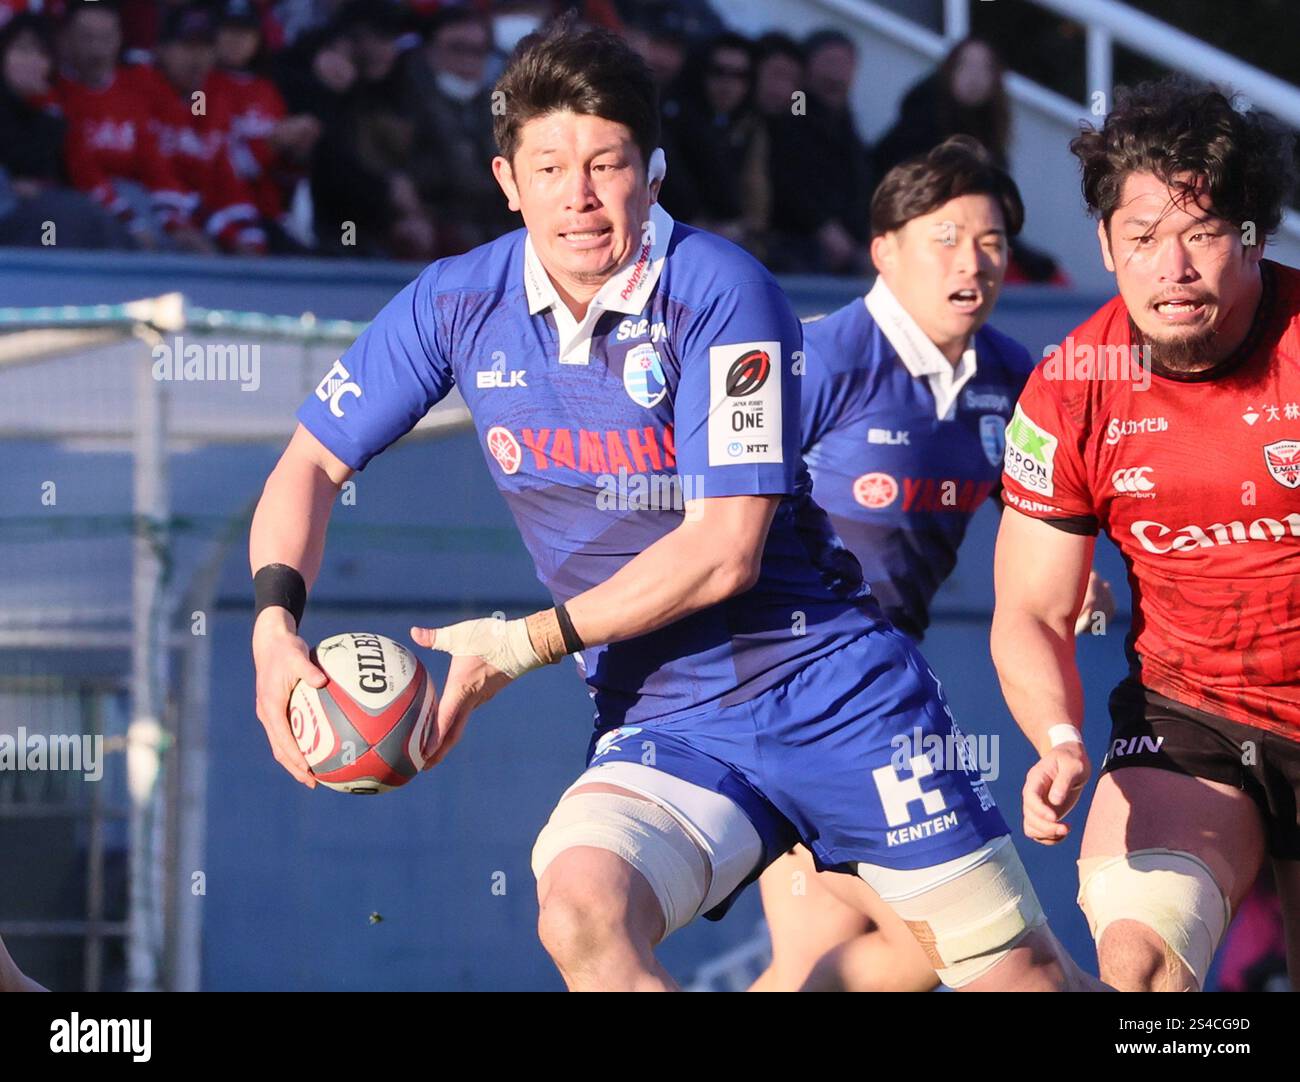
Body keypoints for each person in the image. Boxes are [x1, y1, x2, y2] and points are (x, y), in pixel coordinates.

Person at [249, 17, 1103, 992]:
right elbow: (309, 462)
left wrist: (514, 644)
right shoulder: (452, 301)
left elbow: (724, 550)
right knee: (579, 909)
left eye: (605, 163)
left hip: (836, 691)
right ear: (506, 181)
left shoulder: (725, 292)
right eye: (549, 167)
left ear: (651, 171)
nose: (577, 196)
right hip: (665, 718)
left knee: (1021, 981)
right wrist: (274, 627)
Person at [752, 136, 1112, 992]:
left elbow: (1034, 502)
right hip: (792, 685)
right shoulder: (820, 360)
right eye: (946, 237)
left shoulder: (1007, 373)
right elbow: (714, 507)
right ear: (884, 250)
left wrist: (1076, 569)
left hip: (884, 679)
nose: (975, 262)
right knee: (1014, 962)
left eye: (991, 242)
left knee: (830, 962)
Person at [992, 76, 1300, 992]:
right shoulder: (1069, 386)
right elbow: (1034, 613)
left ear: (1251, 235)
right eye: (1143, 239)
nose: (1174, 269)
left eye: (1202, 233)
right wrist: (1056, 735)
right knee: (1141, 968)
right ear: (1105, 245)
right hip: (1193, 714)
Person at [766, 29, 872, 275]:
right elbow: (788, 173)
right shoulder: (798, 106)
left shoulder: (846, 122)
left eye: (845, 64)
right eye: (828, 62)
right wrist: (822, 226)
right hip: (802, 241)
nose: (836, 74)